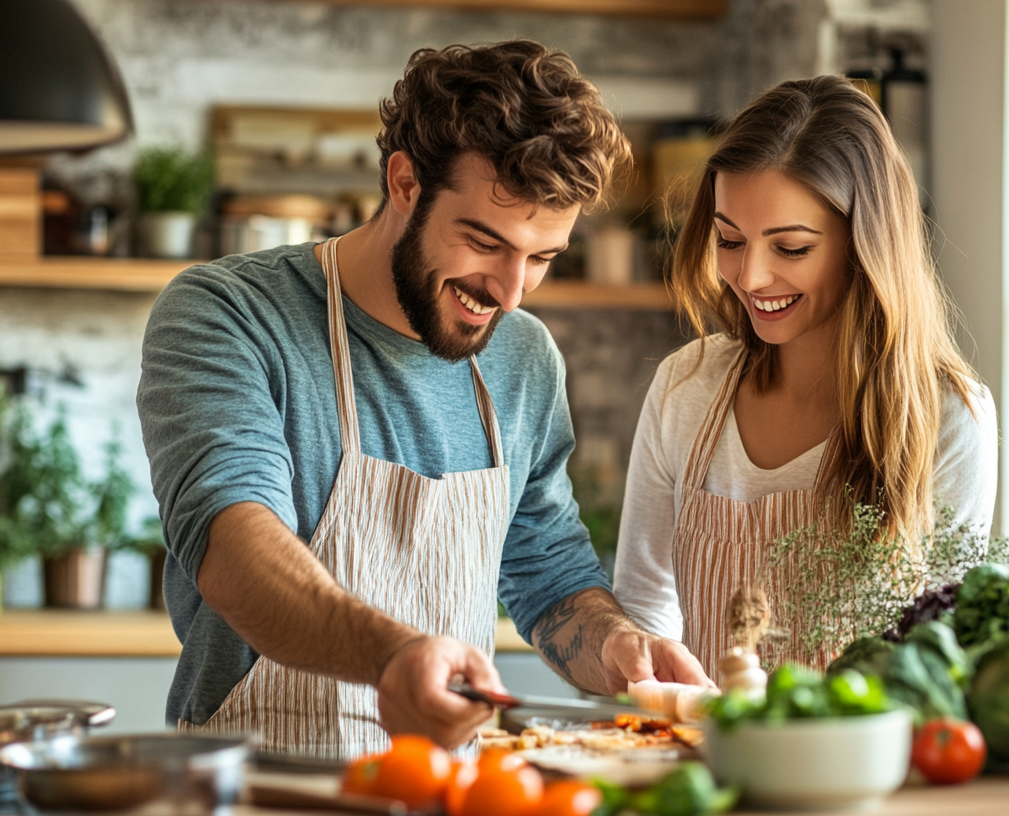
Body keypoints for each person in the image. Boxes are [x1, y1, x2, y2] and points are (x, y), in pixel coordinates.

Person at [137, 40, 707, 759]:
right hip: (262, 784)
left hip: (448, 787)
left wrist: (621, 648)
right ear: (404, 181)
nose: (509, 291)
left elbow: (549, 575)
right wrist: (392, 657)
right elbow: (233, 548)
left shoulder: (524, 358)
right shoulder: (229, 313)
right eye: (484, 241)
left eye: (541, 258)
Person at [612, 76, 999, 676]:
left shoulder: (947, 418)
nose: (751, 277)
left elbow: (940, 658)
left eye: (790, 248)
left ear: (865, 242)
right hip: (706, 758)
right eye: (729, 240)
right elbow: (643, 608)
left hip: (861, 765)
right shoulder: (685, 388)